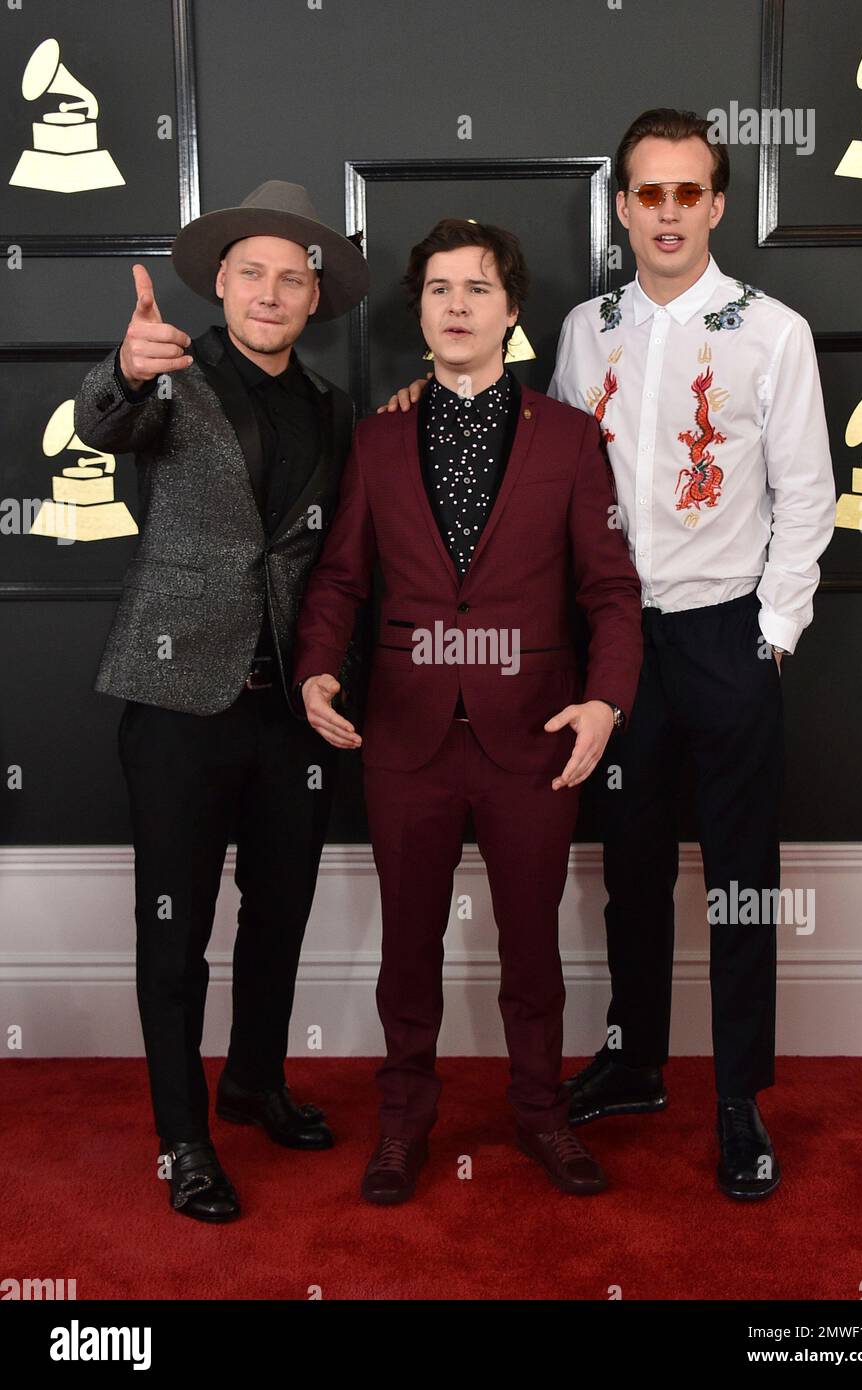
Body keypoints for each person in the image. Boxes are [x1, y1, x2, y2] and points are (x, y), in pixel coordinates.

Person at [385, 110, 837, 1201]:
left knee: (737, 883)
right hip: (612, 645)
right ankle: (635, 1062)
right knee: (626, 872)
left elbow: (807, 494)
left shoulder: (772, 330)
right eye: (649, 193)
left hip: (727, 634)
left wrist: (770, 636)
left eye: (689, 192)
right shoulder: (584, 329)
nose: (668, 212)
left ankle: (737, 1096)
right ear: (623, 207)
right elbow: (506, 420)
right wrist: (409, 405)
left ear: (715, 205)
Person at [292, 217, 642, 1204]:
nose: (455, 304)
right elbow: (339, 579)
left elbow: (611, 591)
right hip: (401, 736)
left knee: (531, 944)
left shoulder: (572, 440)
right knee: (408, 946)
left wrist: (604, 701)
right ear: (420, 309)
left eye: (476, 288)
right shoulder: (374, 437)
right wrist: (318, 669)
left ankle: (540, 1114)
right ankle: (402, 1121)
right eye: (438, 287)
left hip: (532, 737)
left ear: (509, 310)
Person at [73, 181, 369, 1222]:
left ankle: (253, 1081)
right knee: (175, 928)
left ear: (312, 294)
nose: (271, 291)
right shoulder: (171, 372)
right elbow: (103, 418)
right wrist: (118, 370)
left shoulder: (333, 405)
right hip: (175, 699)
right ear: (222, 282)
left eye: (292, 277)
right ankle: (184, 1139)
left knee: (277, 915)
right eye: (253, 272)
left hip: (286, 705)